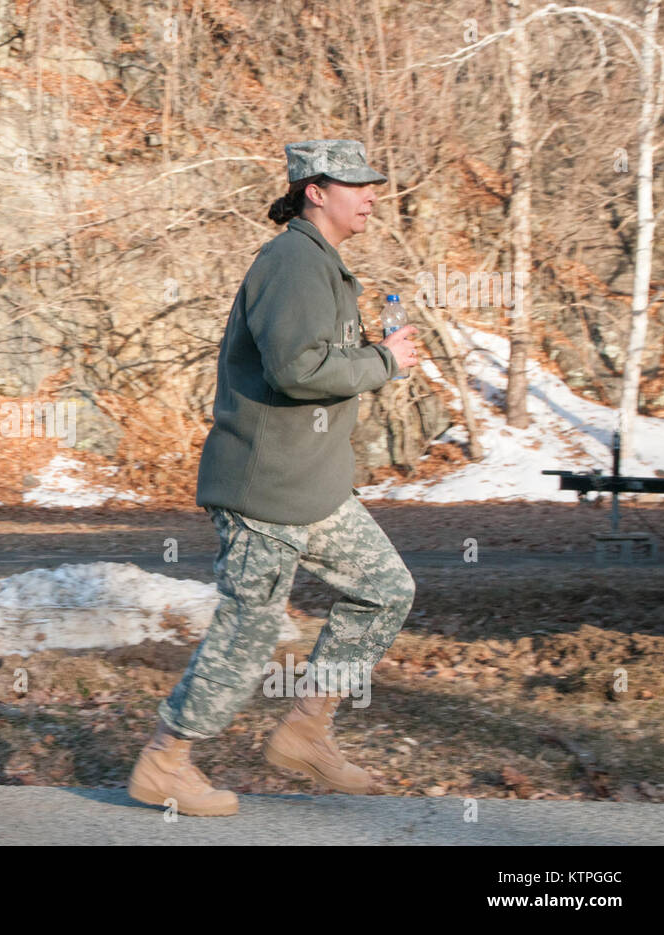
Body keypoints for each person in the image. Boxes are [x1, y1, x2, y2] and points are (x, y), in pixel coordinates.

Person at [127, 139, 420, 816]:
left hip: (309, 488)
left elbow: (311, 363)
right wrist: (382, 360)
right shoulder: (291, 261)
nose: (371, 194)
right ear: (314, 190)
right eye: (355, 183)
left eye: (373, 182)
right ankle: (165, 759)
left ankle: (306, 729)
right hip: (265, 495)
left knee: (384, 588)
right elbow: (298, 369)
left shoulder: (320, 263)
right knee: (248, 632)